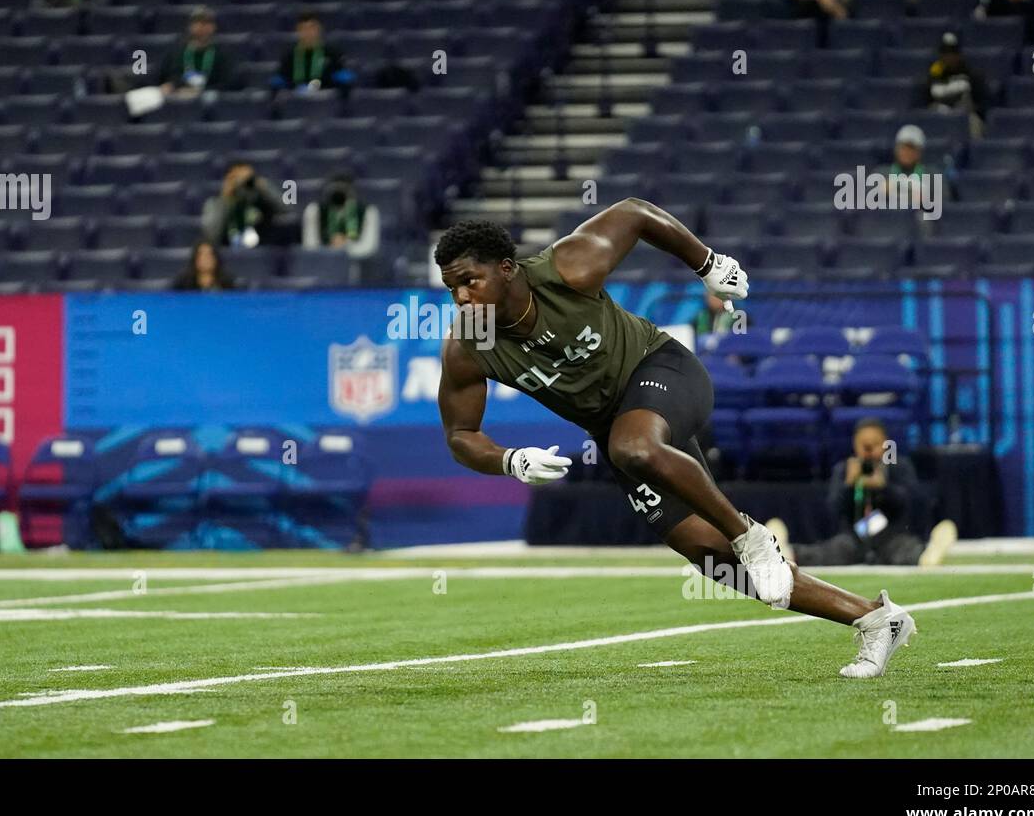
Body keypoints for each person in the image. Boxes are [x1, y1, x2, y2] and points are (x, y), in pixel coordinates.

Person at [435, 208, 918, 678]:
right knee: (707, 554)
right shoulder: (467, 345)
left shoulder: (568, 267)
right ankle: (876, 619)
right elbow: (460, 435)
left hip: (661, 370)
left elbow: (636, 213)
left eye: (469, 280)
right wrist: (509, 460)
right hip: (615, 427)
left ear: (505, 268)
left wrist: (707, 264)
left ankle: (753, 537)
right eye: (451, 286)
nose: (460, 296)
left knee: (635, 449)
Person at [768, 418, 958, 568]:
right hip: (853, 538)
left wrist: (883, 488)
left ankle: (932, 551)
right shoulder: (845, 469)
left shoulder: (898, 467)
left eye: (875, 444)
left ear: (885, 444)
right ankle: (784, 550)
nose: (870, 451)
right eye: (864, 445)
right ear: (855, 445)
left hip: (890, 536)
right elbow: (833, 509)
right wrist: (850, 485)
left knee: (905, 550)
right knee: (832, 550)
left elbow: (912, 503)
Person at [157, 7, 244, 97]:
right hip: (178, 100)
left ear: (214, 27)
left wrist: (202, 91)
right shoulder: (176, 53)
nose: (203, 27)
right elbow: (160, 77)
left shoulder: (223, 54)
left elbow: (233, 83)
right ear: (190, 26)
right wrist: (171, 86)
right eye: (198, 22)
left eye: (207, 23)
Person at [916, 31, 989, 138]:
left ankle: (973, 152)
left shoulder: (972, 76)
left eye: (953, 53)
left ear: (959, 55)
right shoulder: (932, 78)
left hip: (965, 121)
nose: (949, 57)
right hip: (939, 122)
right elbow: (923, 106)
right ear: (940, 55)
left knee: (974, 122)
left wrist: (970, 109)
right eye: (946, 53)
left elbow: (983, 104)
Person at [201, 162, 285, 247]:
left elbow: (287, 210)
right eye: (236, 178)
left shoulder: (263, 198)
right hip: (229, 253)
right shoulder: (215, 203)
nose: (242, 184)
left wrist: (264, 187)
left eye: (247, 179)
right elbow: (211, 236)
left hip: (263, 251)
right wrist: (225, 198)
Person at [302, 173, 381, 259]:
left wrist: (346, 246)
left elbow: (369, 247)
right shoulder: (314, 211)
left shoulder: (368, 211)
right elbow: (310, 246)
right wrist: (330, 248)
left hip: (355, 264)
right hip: (323, 263)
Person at [272, 12, 352, 92]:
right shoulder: (289, 57)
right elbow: (279, 82)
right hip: (297, 102)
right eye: (303, 29)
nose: (308, 32)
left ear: (319, 29)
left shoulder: (333, 54)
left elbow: (345, 81)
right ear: (298, 30)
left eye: (312, 28)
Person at [171, 240, 238, 291]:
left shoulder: (229, 284)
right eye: (201, 255)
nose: (205, 259)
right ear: (195, 259)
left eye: (209, 255)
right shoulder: (182, 284)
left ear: (216, 259)